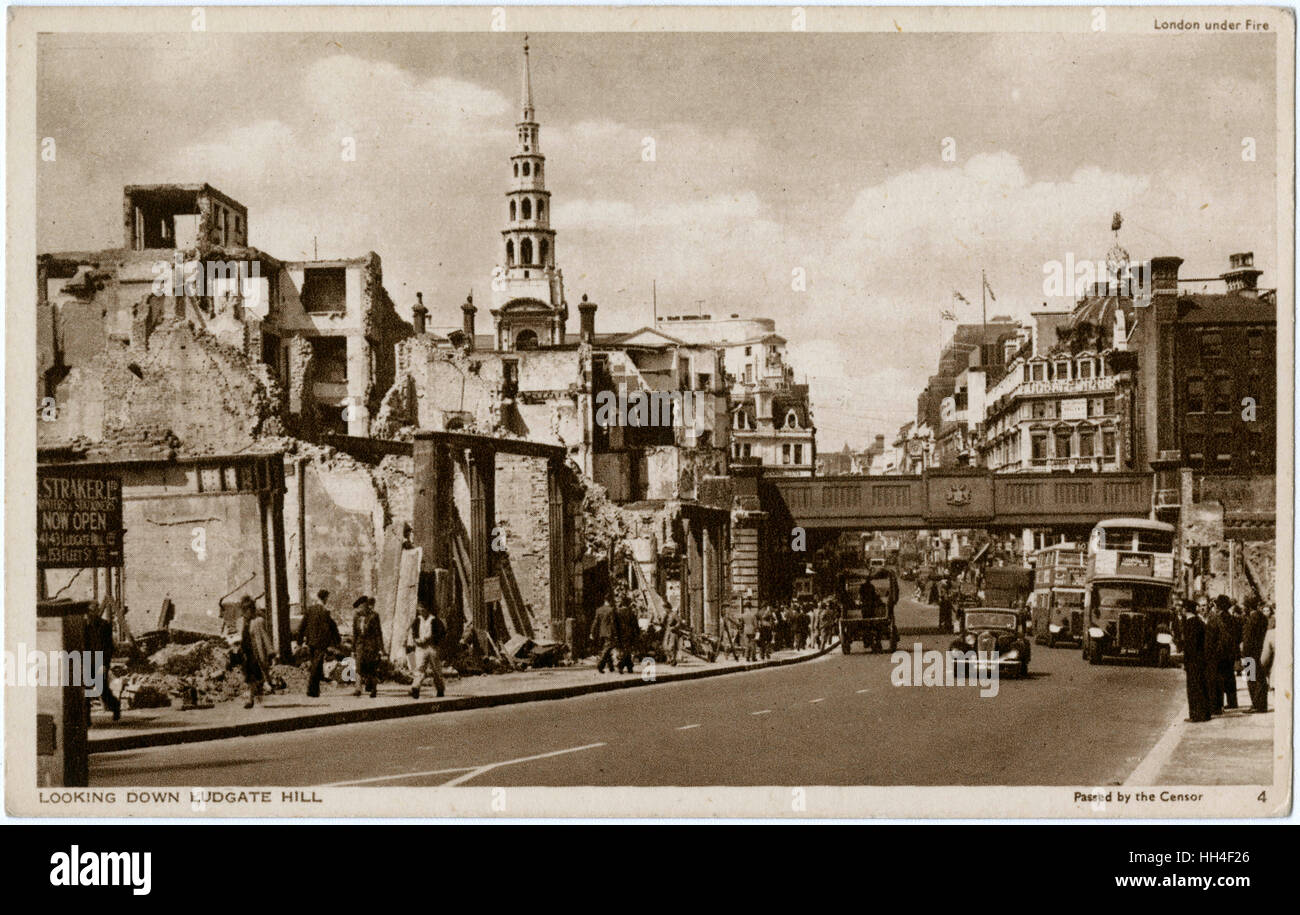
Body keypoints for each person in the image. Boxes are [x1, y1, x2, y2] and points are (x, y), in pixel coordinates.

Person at [296, 589, 340, 698]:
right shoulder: (324, 611)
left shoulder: (310, 609)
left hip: (311, 642)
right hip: (320, 643)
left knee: (316, 665)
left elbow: (302, 626)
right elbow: (331, 627)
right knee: (316, 665)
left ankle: (315, 691)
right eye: (327, 598)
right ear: (325, 598)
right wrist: (336, 641)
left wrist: (299, 641)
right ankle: (311, 690)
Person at [83, 600, 121, 722]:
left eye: (92, 611)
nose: (90, 614)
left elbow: (108, 647)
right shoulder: (84, 626)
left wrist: (105, 664)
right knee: (87, 690)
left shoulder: (104, 626)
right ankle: (87, 719)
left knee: (102, 690)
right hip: (88, 661)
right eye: (89, 611)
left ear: (96, 611)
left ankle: (115, 706)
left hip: (100, 661)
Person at [239, 596, 275, 709]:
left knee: (254, 676)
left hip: (256, 654)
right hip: (245, 654)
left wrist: (271, 652)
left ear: (252, 609)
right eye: (244, 610)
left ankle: (252, 699)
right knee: (249, 677)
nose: (246, 613)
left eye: (248, 610)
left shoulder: (258, 621)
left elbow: (265, 637)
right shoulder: (241, 622)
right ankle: (255, 697)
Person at [405, 602, 446, 698]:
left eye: (423, 610)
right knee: (419, 668)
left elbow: (441, 633)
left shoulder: (435, 620)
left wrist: (431, 638)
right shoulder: (417, 620)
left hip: (432, 647)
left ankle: (440, 689)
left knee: (436, 670)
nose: (421, 612)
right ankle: (416, 687)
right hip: (421, 647)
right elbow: (414, 632)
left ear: (427, 610)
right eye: (420, 610)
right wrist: (416, 640)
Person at [1180, 599, 1212, 723]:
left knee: (1194, 688)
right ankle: (1204, 713)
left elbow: (1189, 646)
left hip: (1193, 661)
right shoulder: (1198, 622)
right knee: (1201, 686)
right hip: (1200, 659)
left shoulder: (1189, 623)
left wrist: (1186, 661)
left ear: (1185, 609)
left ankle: (1196, 714)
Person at [350, 595, 384, 698]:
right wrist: (353, 649)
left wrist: (381, 648)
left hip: (371, 646)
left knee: (371, 668)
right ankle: (358, 689)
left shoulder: (374, 616)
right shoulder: (357, 617)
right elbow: (355, 633)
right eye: (358, 607)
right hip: (360, 645)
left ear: (365, 605)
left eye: (361, 607)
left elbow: (378, 633)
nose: (359, 609)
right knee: (359, 666)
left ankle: (374, 689)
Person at [1240, 595, 1269, 713]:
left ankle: (1256, 705)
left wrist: (1243, 653)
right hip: (1259, 651)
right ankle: (1262, 704)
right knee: (1260, 678)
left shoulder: (1251, 619)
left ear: (1248, 607)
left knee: (1252, 679)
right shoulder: (1262, 618)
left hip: (1250, 653)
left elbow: (1247, 638)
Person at [1212, 595, 1240, 711]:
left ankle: (1220, 703)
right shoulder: (1232, 618)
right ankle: (1232, 702)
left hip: (1221, 652)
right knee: (1230, 677)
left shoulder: (1219, 618)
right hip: (1231, 652)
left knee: (1220, 678)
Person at [1203, 598, 1228, 716]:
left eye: (1205, 606)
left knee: (1213, 682)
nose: (1203, 608)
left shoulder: (1214, 618)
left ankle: (1215, 707)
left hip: (1213, 656)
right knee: (1215, 681)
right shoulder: (1212, 618)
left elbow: (1222, 637)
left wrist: (1215, 651)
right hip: (1212, 655)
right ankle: (1216, 706)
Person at [590, 599, 618, 673]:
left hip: (602, 633)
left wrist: (592, 632)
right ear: (610, 601)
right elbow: (613, 623)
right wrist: (615, 633)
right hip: (609, 633)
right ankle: (601, 664)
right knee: (607, 648)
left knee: (606, 648)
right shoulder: (611, 610)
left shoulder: (598, 610)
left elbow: (595, 622)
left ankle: (611, 667)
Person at [615, 596, 639, 674]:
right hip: (629, 634)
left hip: (620, 634)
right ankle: (621, 665)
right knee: (627, 650)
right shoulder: (631, 613)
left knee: (625, 650)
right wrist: (638, 633)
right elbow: (635, 625)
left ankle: (629, 667)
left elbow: (615, 624)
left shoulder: (618, 612)